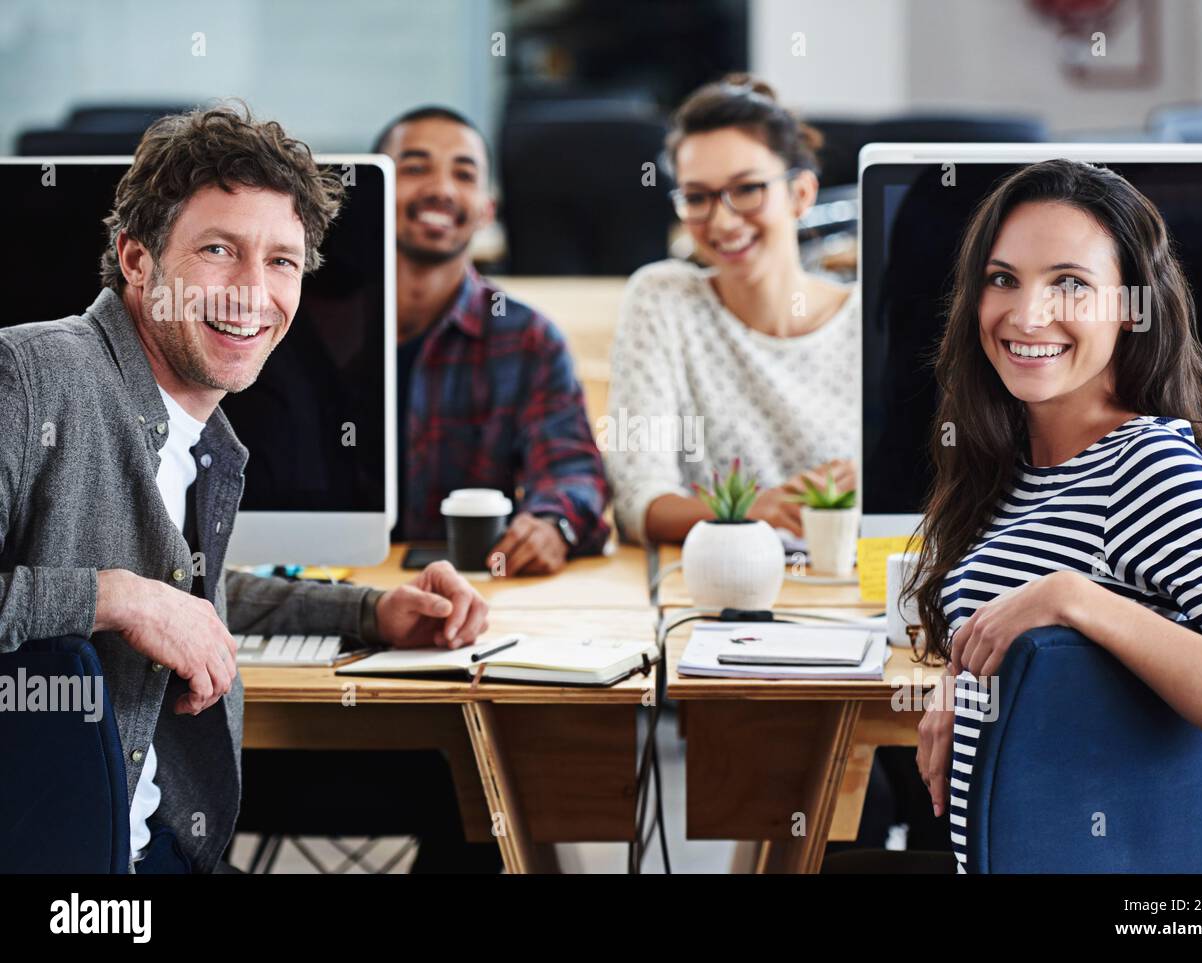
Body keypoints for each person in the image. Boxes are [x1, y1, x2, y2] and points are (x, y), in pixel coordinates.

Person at [0, 104, 489, 873]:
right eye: (220, 250)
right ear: (136, 260)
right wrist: (117, 598)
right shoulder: (31, 376)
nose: (252, 294)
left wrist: (370, 612)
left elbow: (187, 594)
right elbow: (148, 597)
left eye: (282, 262)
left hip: (150, 847)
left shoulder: (204, 441)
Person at [909, 159, 1202, 873]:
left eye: (1069, 283)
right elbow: (1053, 661)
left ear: (1130, 307)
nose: (1026, 314)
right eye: (1003, 279)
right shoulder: (1009, 469)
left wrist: (1071, 597)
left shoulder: (1148, 468)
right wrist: (969, 674)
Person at [605, 74, 858, 545]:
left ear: (800, 195)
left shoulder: (869, 320)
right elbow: (638, 503)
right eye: (698, 198)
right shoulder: (664, 300)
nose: (721, 221)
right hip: (708, 594)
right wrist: (752, 511)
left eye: (746, 190)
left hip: (849, 595)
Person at [374, 105, 610, 573]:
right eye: (415, 167)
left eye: (463, 174)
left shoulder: (527, 339)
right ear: (370, 190)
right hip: (320, 583)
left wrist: (550, 523)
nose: (440, 189)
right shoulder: (298, 322)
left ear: (486, 209)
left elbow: (571, 469)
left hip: (469, 588)